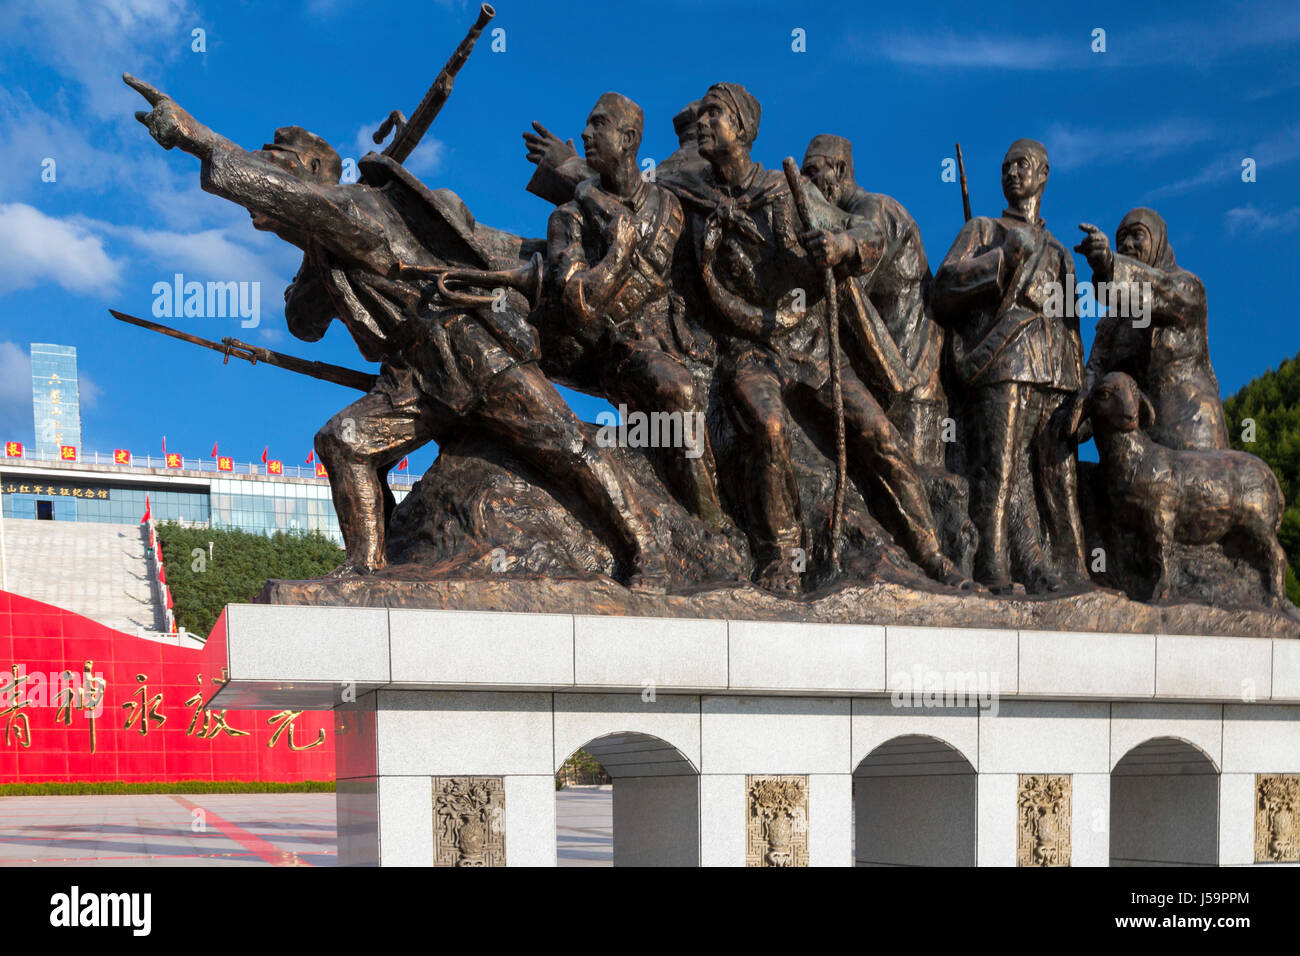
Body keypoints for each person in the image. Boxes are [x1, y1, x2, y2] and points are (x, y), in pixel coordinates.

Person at [127, 73, 668, 590]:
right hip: (413, 374)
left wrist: (196, 138)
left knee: (566, 444)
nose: (263, 185)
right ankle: (366, 567)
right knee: (343, 441)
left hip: (466, 347)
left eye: (275, 167)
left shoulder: (352, 206)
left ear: (312, 169)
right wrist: (311, 264)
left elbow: (289, 198)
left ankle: (646, 547)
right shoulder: (326, 240)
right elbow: (304, 325)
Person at [665, 83, 972, 594]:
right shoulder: (692, 196)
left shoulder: (788, 190)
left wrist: (840, 244)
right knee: (766, 424)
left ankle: (933, 558)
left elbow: (866, 235)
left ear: (741, 129)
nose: (701, 122)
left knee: (880, 438)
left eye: (714, 114)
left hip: (813, 350)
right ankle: (782, 555)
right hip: (750, 351)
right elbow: (626, 189)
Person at [546, 92, 726, 527]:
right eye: (589, 124)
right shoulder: (569, 217)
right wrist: (616, 254)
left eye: (598, 124)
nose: (586, 133)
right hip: (614, 347)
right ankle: (712, 529)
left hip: (678, 339)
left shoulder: (671, 209)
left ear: (628, 139)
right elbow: (577, 303)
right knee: (677, 390)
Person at [931, 139, 1087, 593]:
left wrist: (1078, 390)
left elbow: (1071, 325)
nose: (1012, 173)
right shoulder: (984, 229)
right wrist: (999, 261)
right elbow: (944, 288)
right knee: (997, 472)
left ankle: (1052, 566)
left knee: (1050, 480)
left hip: (1052, 372)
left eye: (1021, 165)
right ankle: (991, 565)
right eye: (1005, 167)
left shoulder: (1060, 252)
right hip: (1003, 362)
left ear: (1043, 173)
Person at [801, 134, 946, 466]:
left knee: (915, 478)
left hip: (908, 384)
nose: (807, 184)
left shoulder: (871, 208)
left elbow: (854, 281)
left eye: (813, 172)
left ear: (839, 169)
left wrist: (839, 246)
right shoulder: (862, 210)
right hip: (896, 380)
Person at [1077, 207, 1228, 450]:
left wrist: (1111, 266)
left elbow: (1157, 290)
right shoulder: (1113, 321)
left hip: (1193, 442)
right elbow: (1094, 379)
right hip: (1139, 451)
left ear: (1158, 240)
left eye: (1137, 235)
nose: (1127, 244)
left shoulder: (1186, 288)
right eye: (1121, 240)